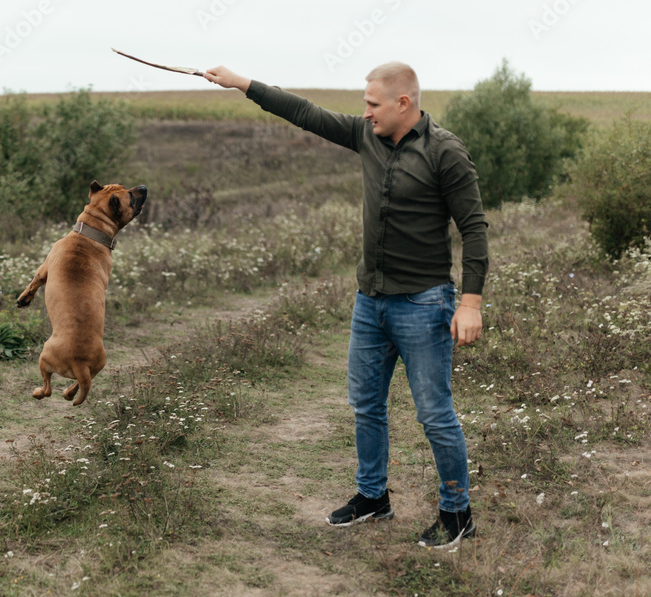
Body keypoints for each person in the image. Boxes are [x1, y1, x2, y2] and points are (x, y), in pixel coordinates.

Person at [204, 62, 488, 549]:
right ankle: (373, 497)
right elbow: (306, 113)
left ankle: (456, 513)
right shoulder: (367, 137)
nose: (365, 112)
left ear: (404, 103)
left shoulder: (446, 152)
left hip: (424, 303)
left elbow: (475, 228)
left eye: (373, 104)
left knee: (435, 413)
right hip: (370, 301)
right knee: (366, 406)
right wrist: (243, 84)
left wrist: (471, 303)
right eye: (364, 103)